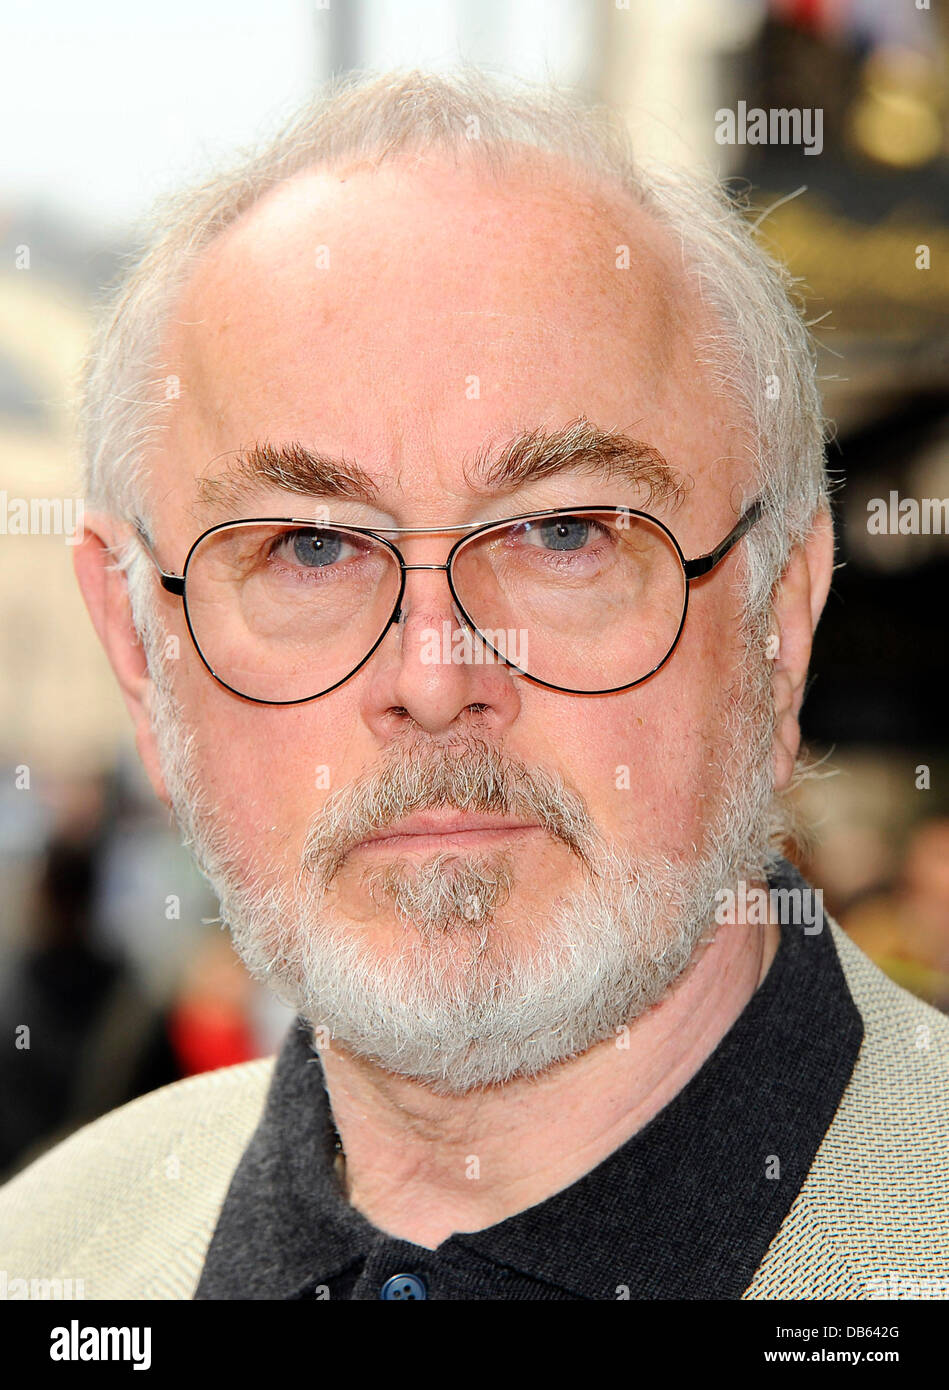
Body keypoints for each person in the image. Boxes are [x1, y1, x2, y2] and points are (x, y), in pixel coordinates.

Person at [1, 67, 946, 1302]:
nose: (435, 678)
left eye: (563, 533)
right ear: (142, 655)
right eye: (311, 547)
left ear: (780, 621)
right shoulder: (46, 1259)